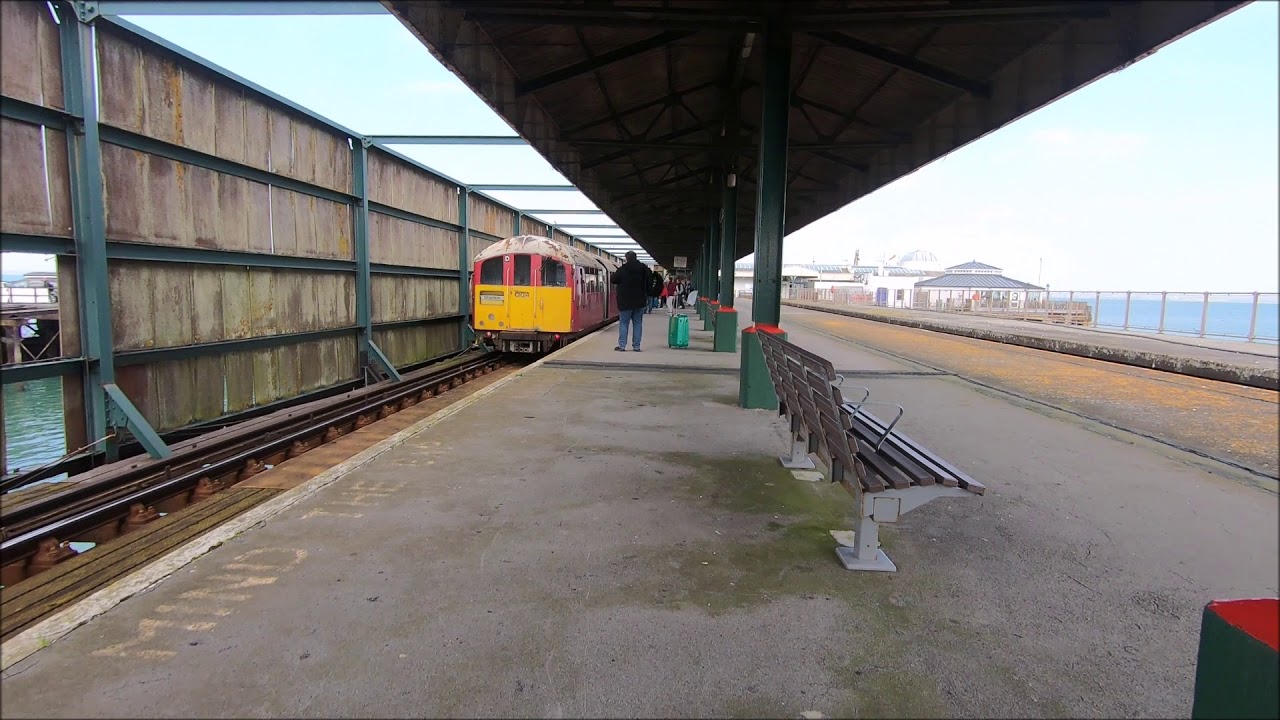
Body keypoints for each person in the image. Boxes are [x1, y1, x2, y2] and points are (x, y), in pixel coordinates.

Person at [611, 251, 649, 351]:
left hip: (625, 301)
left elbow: (613, 279)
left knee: (624, 323)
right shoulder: (644, 268)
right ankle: (636, 346)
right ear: (636, 257)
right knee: (637, 323)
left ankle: (622, 346)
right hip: (640, 300)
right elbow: (649, 282)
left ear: (626, 258)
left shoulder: (623, 269)